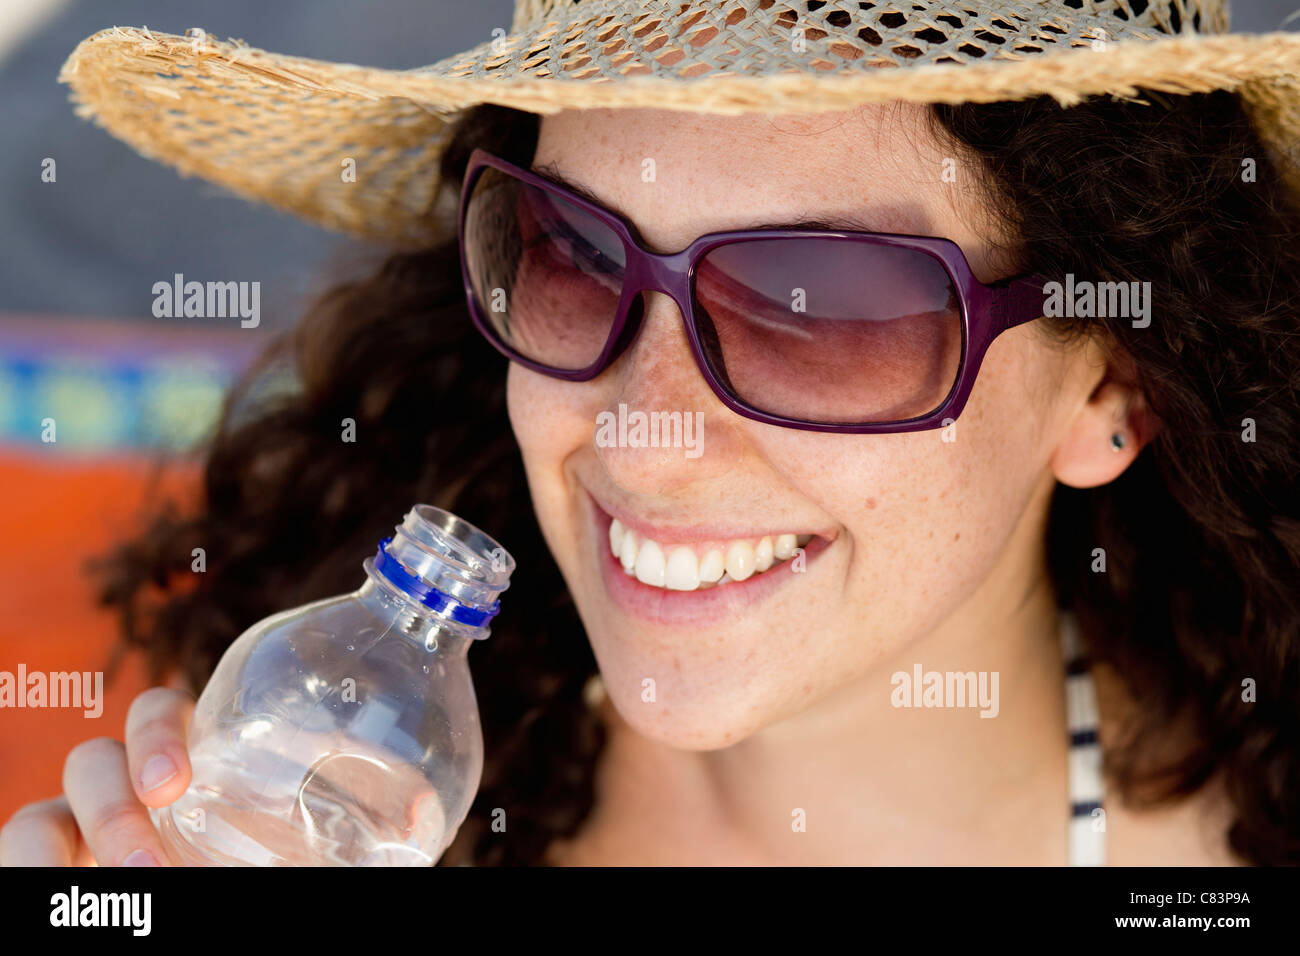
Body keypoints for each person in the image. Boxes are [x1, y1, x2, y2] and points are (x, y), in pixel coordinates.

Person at [3, 0, 1299, 866]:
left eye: (820, 311)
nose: (641, 436)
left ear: (1114, 390)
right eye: (572, 257)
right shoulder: (332, 795)